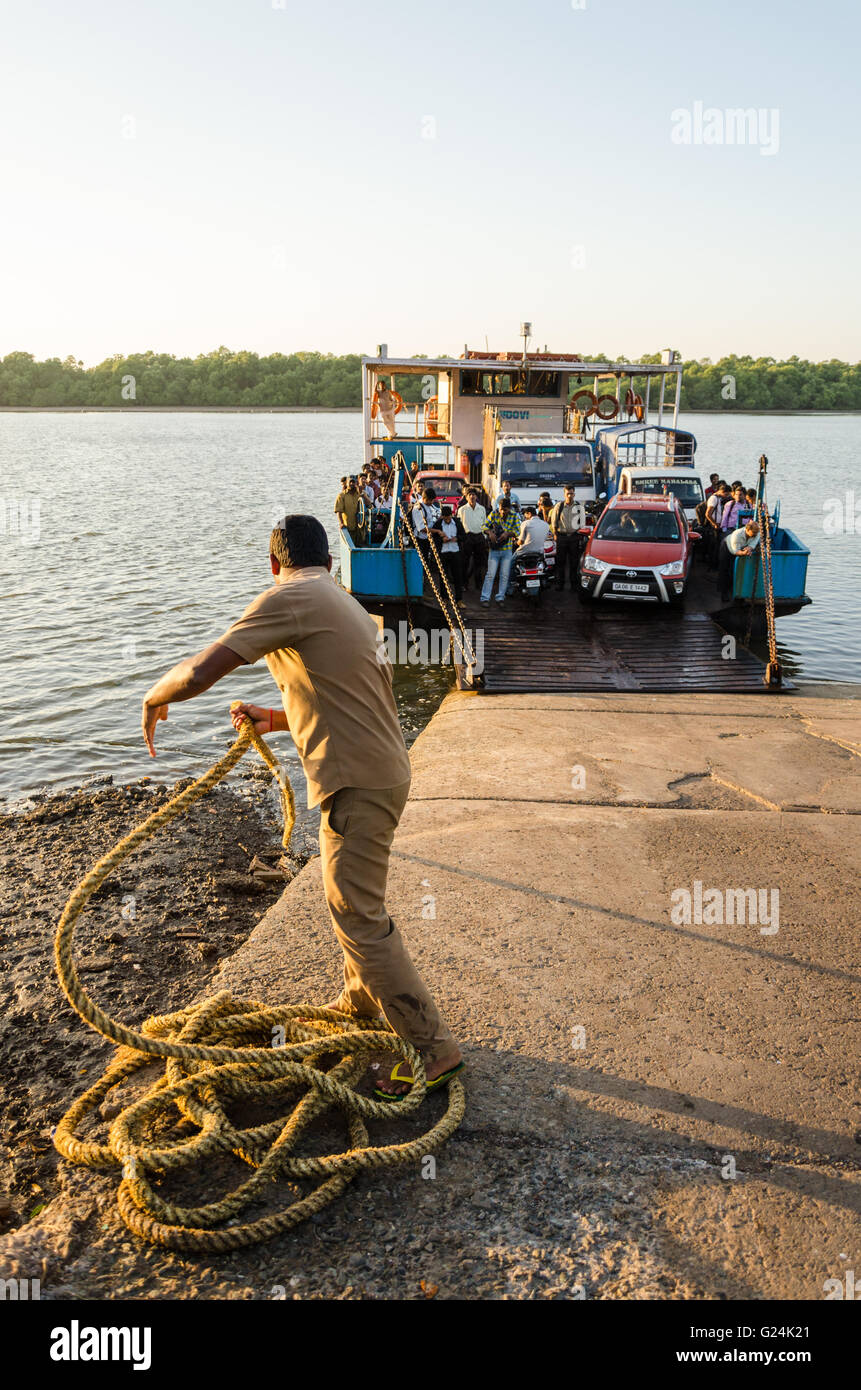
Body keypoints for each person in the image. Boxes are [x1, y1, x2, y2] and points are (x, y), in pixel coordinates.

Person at [140, 515, 463, 1099]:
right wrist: (272, 718)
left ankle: (432, 1050)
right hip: (382, 773)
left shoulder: (288, 595)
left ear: (273, 563)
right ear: (331, 560)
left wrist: (152, 695)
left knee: (358, 914)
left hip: (358, 785)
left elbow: (197, 673)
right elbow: (340, 700)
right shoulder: (345, 603)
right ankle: (362, 1004)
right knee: (353, 901)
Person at [480, 498, 519, 605]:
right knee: (490, 574)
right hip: (494, 550)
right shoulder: (494, 513)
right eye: (501, 509)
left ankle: (500, 597)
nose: (502, 512)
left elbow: (518, 531)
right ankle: (485, 598)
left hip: (507, 551)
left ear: (509, 509)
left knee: (504, 575)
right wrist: (490, 533)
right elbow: (483, 526)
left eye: (505, 510)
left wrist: (507, 534)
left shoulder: (515, 516)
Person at [550, 484, 586, 590]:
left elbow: (582, 524)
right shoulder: (559, 506)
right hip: (562, 538)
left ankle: (574, 584)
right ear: (564, 494)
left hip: (575, 538)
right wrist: (556, 535)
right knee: (561, 562)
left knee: (574, 562)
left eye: (571, 493)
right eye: (568, 493)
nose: (570, 496)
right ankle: (560, 584)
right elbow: (553, 523)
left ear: (574, 494)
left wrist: (579, 536)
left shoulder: (579, 507)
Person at [718, 521, 760, 602]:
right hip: (727, 547)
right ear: (747, 530)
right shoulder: (737, 535)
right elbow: (735, 551)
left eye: (756, 533)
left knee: (735, 570)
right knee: (724, 570)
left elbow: (754, 542)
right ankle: (724, 593)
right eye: (753, 533)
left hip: (742, 547)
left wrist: (750, 548)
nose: (755, 535)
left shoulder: (756, 533)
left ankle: (736, 591)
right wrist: (744, 553)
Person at [457, 487, 488, 590]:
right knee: (464, 563)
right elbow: (459, 525)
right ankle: (464, 584)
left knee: (479, 564)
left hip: (479, 537)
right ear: (466, 497)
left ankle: (478, 585)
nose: (472, 496)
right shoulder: (462, 510)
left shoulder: (482, 509)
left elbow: (484, 524)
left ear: (476, 496)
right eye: (469, 494)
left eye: (473, 494)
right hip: (468, 537)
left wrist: (484, 536)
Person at [411, 486, 440, 583]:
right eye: (431, 501)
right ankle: (420, 584)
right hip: (420, 539)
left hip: (427, 538)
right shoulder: (418, 508)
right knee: (421, 563)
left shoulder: (427, 505)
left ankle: (424, 582)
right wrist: (437, 531)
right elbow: (422, 528)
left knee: (426, 562)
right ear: (425, 499)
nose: (432, 503)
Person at [436, 505, 463, 603]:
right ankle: (445, 598)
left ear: (451, 516)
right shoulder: (438, 524)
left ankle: (459, 599)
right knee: (443, 576)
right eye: (445, 518)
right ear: (442, 517)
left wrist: (457, 538)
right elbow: (434, 538)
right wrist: (442, 540)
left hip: (455, 552)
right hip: (443, 552)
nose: (447, 520)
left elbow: (463, 535)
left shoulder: (457, 523)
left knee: (458, 576)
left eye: (448, 517)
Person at [704, 481, 730, 569]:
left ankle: (714, 565)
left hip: (718, 525)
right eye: (726, 495)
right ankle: (712, 565)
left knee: (716, 546)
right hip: (713, 527)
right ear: (722, 492)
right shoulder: (714, 499)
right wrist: (714, 524)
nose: (726, 497)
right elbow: (708, 514)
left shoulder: (719, 498)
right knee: (714, 546)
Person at [334, 477, 361, 546]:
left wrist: (362, 494)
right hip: (348, 526)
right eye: (350, 482)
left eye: (353, 482)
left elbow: (369, 505)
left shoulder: (359, 494)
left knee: (359, 544)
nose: (352, 484)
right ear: (347, 483)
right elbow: (338, 511)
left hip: (359, 527)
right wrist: (341, 523)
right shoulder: (341, 496)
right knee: (349, 545)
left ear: (356, 483)